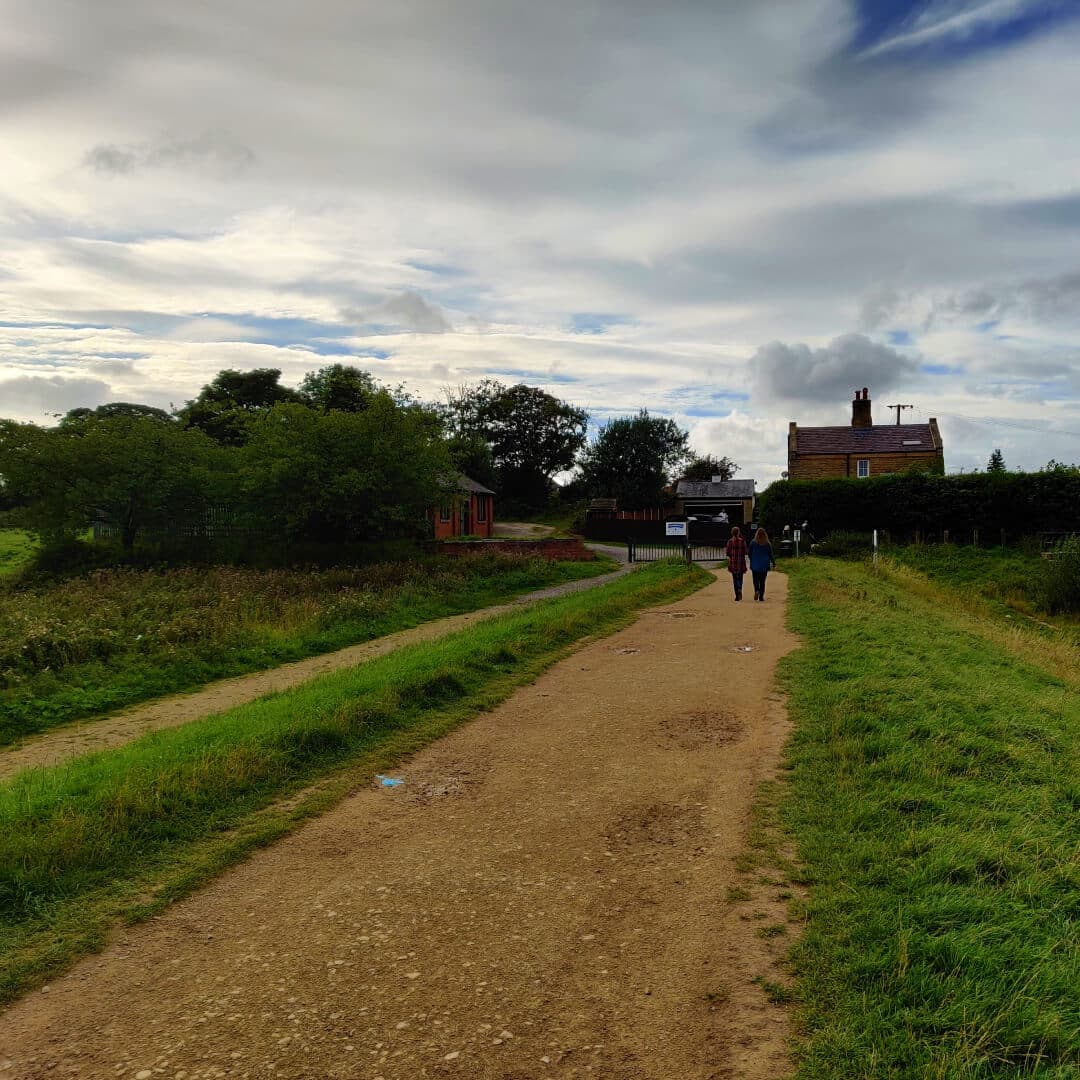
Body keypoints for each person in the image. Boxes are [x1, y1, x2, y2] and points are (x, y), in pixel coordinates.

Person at [749, 527, 777, 601]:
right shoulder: (767, 543)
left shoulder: (753, 542)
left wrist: (752, 559)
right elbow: (771, 554)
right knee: (762, 581)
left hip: (755, 564)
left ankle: (756, 590)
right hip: (764, 565)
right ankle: (761, 596)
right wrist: (774, 563)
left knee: (755, 580)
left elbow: (749, 553)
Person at [724, 525, 748, 601]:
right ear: (738, 533)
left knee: (734, 579)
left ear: (732, 533)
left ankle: (737, 596)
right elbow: (746, 552)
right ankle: (740, 588)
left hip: (733, 562)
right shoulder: (742, 541)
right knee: (740, 578)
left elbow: (727, 552)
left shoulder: (730, 542)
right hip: (741, 562)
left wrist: (731, 556)